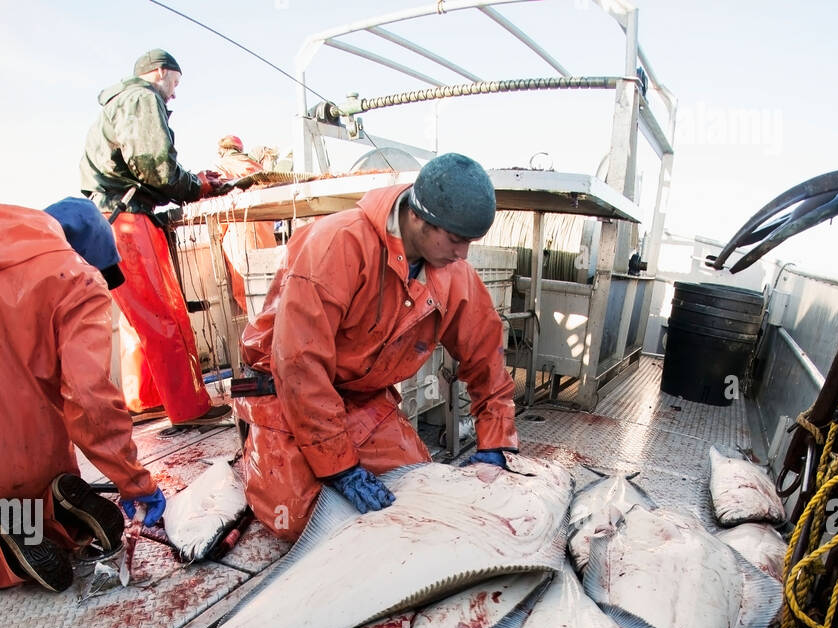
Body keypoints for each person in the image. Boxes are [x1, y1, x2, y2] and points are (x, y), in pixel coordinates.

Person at [235, 152, 518, 541]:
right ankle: (257, 444)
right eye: (455, 239)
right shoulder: (338, 242)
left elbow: (487, 357)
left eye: (469, 242)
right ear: (417, 217)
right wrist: (339, 466)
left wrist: (496, 441)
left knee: (421, 494)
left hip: (362, 399)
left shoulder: (455, 274)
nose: (462, 254)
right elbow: (298, 363)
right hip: (286, 392)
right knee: (300, 521)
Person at [0, 199, 165, 593]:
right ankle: (44, 518)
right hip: (34, 451)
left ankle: (19, 523)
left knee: (15, 500)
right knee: (29, 495)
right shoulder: (76, 277)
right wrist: (134, 481)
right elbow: (89, 396)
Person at [80, 48, 233, 426]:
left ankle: (146, 398)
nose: (174, 93)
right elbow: (155, 167)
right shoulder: (142, 98)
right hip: (131, 219)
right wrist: (196, 185)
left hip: (107, 221)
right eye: (175, 83)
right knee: (166, 315)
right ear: (159, 73)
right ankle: (189, 408)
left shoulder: (116, 105)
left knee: (138, 318)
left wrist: (188, 181)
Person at [213, 136, 279, 314]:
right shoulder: (256, 167)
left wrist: (219, 235)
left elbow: (221, 205)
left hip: (239, 235)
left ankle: (258, 335)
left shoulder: (221, 167)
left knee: (247, 293)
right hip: (265, 233)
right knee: (271, 291)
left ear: (222, 150)